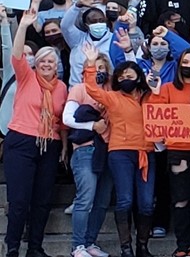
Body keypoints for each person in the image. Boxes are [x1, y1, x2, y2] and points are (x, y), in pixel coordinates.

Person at [80, 40, 157, 257]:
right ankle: (126, 248)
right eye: (121, 77)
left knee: (146, 203)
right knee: (124, 200)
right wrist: (91, 63)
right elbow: (92, 89)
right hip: (120, 152)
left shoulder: (149, 96)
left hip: (147, 153)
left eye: (130, 76)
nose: (125, 79)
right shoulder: (113, 98)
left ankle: (143, 246)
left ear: (139, 78)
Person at [5, 7, 68, 257]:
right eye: (42, 60)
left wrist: (63, 146)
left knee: (41, 202)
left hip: (49, 145)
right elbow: (17, 54)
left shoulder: (62, 87)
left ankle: (35, 248)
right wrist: (23, 25)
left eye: (51, 61)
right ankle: (11, 248)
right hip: (21, 141)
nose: (46, 64)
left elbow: (61, 121)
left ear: (57, 66)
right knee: (19, 202)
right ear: (36, 63)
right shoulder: (26, 77)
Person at [148, 49, 190, 257]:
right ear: (179, 65)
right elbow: (156, 117)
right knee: (180, 199)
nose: (188, 65)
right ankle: (182, 244)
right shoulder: (167, 88)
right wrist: (155, 92)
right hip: (177, 150)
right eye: (185, 62)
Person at [65, 47, 115, 257]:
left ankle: (90, 242)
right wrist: (93, 126)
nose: (99, 70)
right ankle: (78, 246)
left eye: (102, 67)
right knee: (86, 198)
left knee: (102, 201)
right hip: (86, 150)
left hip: (110, 149)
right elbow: (68, 118)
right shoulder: (79, 88)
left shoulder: (113, 90)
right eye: (95, 67)